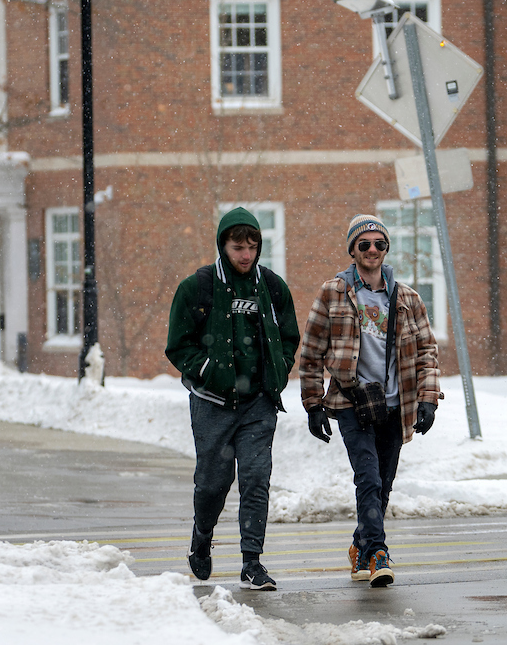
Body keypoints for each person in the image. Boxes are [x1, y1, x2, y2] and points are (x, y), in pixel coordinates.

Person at [299, 214, 441, 587]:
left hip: (395, 405)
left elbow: (427, 350)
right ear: (353, 250)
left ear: (386, 248)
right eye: (364, 244)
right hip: (351, 403)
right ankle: (378, 552)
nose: (373, 250)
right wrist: (313, 403)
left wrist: (428, 400)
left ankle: (359, 545)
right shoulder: (333, 292)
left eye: (379, 244)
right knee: (368, 479)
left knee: (385, 483)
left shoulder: (407, 297)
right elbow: (311, 352)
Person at [165, 207, 300, 590]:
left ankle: (252, 562)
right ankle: (202, 538)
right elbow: (178, 346)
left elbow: (289, 336)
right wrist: (209, 371)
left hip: (258, 403)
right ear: (223, 245)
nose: (246, 254)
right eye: (238, 246)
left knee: (257, 481)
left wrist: (278, 368)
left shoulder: (272, 287)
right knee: (213, 483)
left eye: (252, 246)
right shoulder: (199, 287)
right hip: (213, 404)